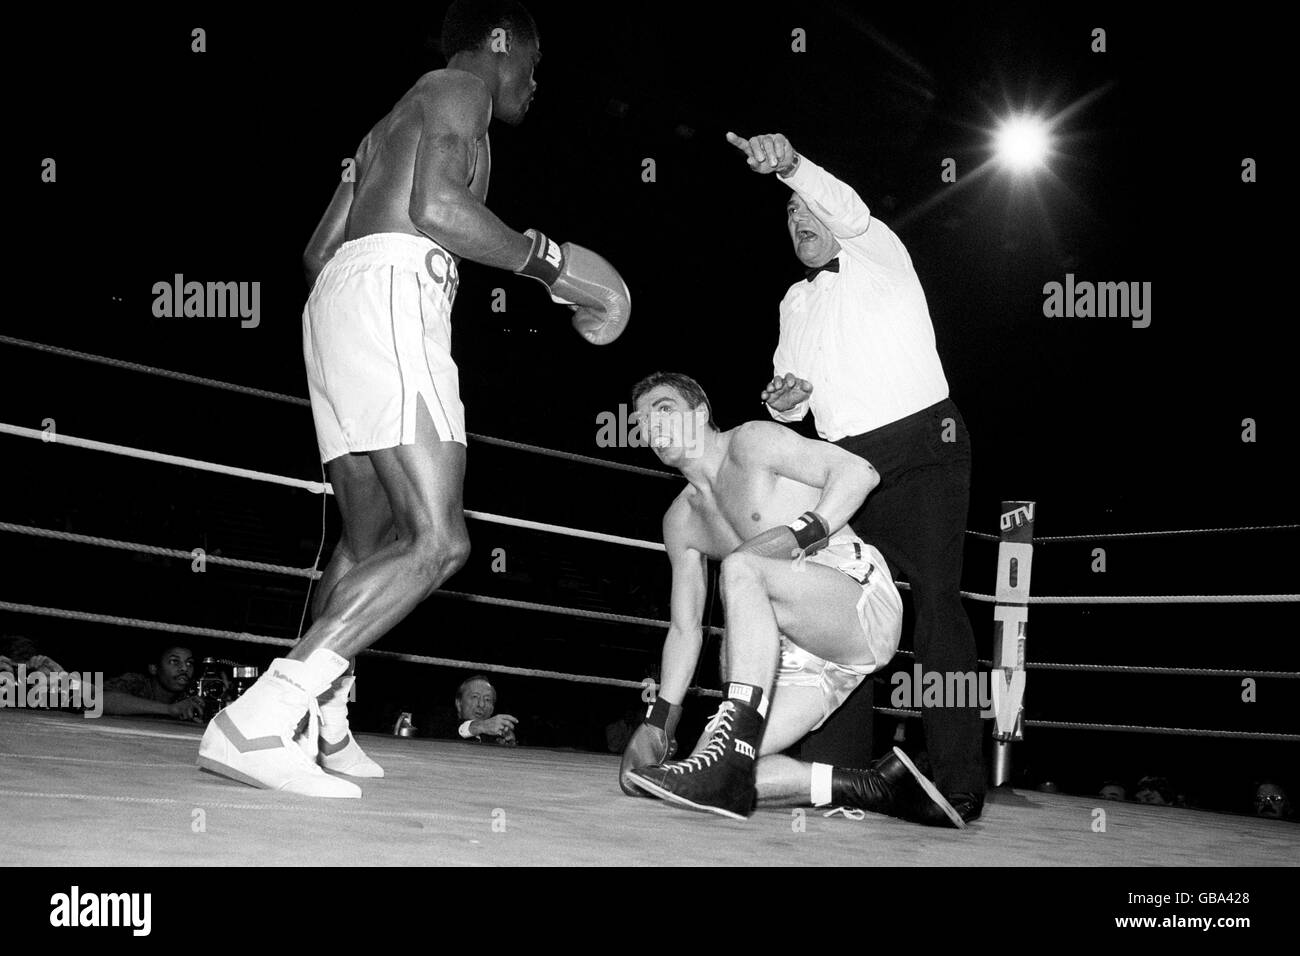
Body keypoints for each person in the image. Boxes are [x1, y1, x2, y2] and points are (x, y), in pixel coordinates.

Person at [198, 0, 629, 798]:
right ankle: (262, 714)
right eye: (533, 67)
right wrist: (552, 267)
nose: (535, 85)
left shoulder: (390, 120)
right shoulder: (461, 89)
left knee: (367, 540)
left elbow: (317, 251)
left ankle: (324, 725)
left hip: (338, 302)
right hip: (396, 292)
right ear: (500, 45)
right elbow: (438, 211)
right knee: (439, 540)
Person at [727, 130, 985, 823]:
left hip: (922, 440)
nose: (799, 220)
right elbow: (798, 397)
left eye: (807, 210)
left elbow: (842, 204)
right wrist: (783, 399)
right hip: (846, 466)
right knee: (835, 608)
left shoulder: (878, 253)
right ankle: (842, 778)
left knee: (937, 601)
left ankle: (960, 779)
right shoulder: (794, 302)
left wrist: (789, 166)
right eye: (787, 216)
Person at [621, 373, 964, 827]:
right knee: (709, 770)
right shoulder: (680, 520)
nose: (651, 426)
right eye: (642, 420)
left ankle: (736, 733)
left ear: (700, 412)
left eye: (663, 409)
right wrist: (659, 720)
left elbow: (859, 473)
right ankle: (873, 787)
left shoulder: (751, 443)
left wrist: (795, 537)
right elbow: (685, 629)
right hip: (796, 652)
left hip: (854, 596)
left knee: (742, 566)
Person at [102, 644, 205, 722]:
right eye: (174, 661)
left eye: (189, 663)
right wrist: (169, 710)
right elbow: (97, 701)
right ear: (154, 668)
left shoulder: (192, 694)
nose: (184, 668)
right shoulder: (136, 683)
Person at [423, 674, 518, 744]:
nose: (481, 704)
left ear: (492, 709)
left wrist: (509, 746)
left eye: (487, 699)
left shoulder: (495, 738)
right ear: (459, 703)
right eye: (475, 697)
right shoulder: (440, 723)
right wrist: (481, 726)